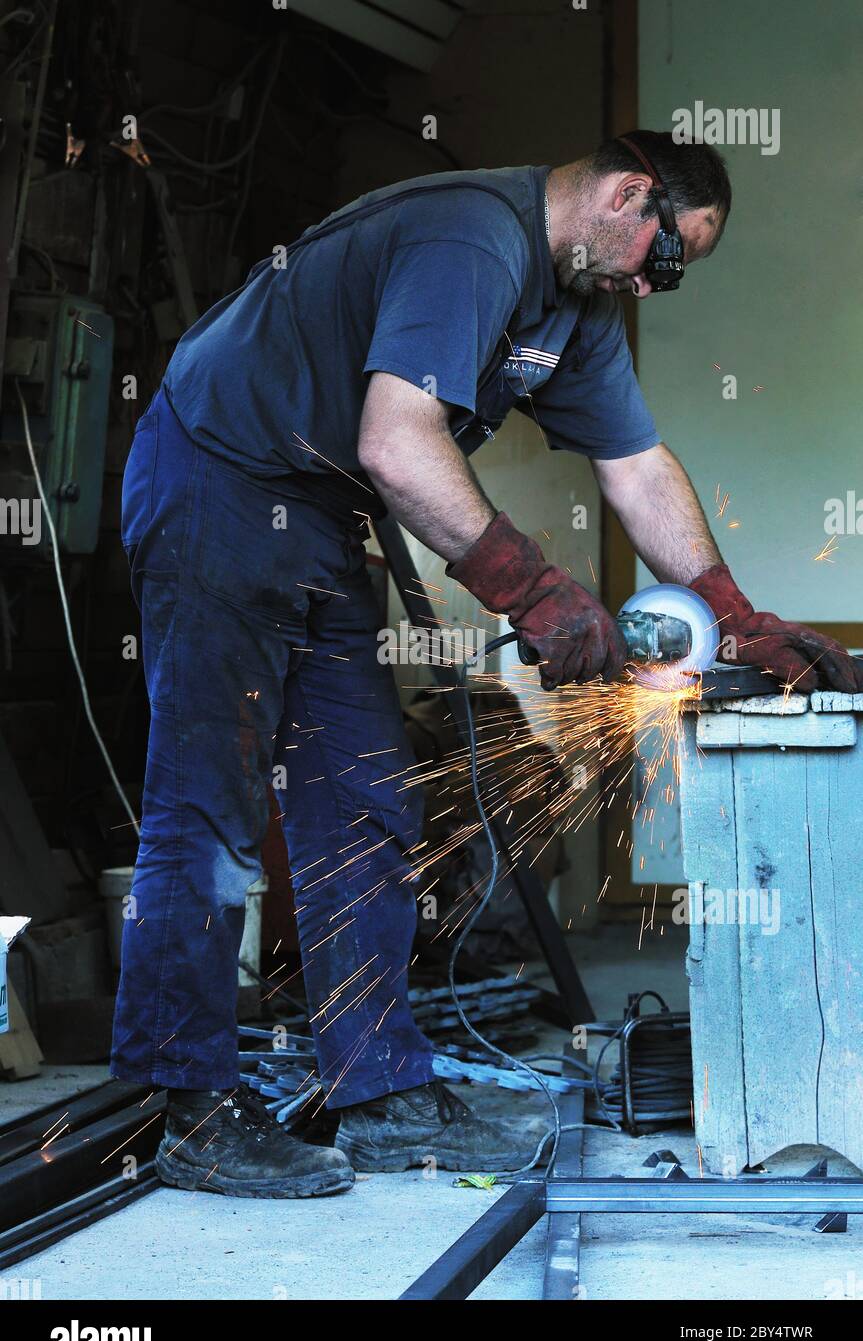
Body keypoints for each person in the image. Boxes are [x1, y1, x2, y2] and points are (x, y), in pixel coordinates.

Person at [111, 130, 860, 1198]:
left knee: (366, 795)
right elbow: (395, 440)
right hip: (216, 479)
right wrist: (533, 586)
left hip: (318, 514)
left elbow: (636, 467)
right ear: (626, 193)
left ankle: (378, 1094)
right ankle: (185, 1105)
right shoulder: (470, 239)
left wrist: (733, 615)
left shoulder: (578, 312)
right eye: (665, 256)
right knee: (211, 799)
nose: (657, 284)